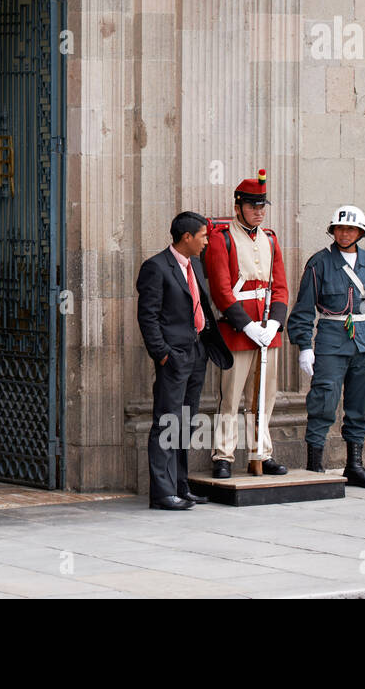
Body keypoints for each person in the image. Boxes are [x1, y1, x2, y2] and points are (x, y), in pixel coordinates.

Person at [286, 205, 365, 488]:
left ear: (360, 232)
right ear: (333, 231)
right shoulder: (319, 263)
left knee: (361, 402)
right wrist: (303, 345)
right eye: (340, 229)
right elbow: (304, 307)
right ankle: (314, 466)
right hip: (332, 337)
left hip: (364, 339)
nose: (345, 233)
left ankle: (354, 465)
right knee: (324, 399)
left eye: (350, 229)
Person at [136, 212, 234, 509]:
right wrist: (163, 354)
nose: (207, 240)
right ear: (186, 237)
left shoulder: (196, 265)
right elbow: (148, 316)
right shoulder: (156, 267)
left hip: (197, 353)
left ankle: (180, 485)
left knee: (185, 423)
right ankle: (162, 492)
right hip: (174, 357)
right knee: (167, 421)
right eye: (203, 235)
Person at [204, 170, 289, 477]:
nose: (258, 211)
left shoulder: (271, 239)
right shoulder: (221, 239)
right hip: (237, 330)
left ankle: (261, 453)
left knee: (264, 396)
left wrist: (275, 323)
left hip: (267, 329)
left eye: (262, 206)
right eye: (253, 206)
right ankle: (223, 455)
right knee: (230, 395)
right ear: (238, 206)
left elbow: (279, 286)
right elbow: (221, 289)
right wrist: (246, 324)